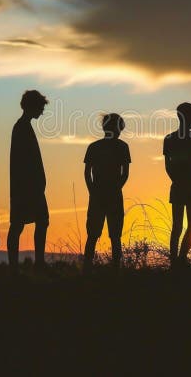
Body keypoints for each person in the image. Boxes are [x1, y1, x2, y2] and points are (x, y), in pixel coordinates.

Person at [83, 113, 131, 271]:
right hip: (112, 195)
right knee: (114, 236)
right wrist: (116, 189)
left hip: (99, 195)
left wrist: (92, 191)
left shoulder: (94, 147)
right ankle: (115, 271)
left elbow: (87, 172)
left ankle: (87, 269)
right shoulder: (122, 147)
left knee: (93, 235)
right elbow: (125, 174)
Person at [8, 90, 50, 271]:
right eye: (40, 107)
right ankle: (17, 267)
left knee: (40, 221)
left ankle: (35, 263)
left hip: (30, 187)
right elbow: (23, 161)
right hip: (26, 188)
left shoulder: (24, 126)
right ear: (32, 106)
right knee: (19, 225)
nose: (42, 111)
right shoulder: (21, 127)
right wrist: (31, 184)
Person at [164, 102, 191, 266]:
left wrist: (175, 178)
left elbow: (168, 164)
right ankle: (178, 260)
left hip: (183, 184)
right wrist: (178, 179)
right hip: (187, 184)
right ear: (187, 118)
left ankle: (178, 259)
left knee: (181, 226)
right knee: (186, 226)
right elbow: (175, 161)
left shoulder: (170, 139)